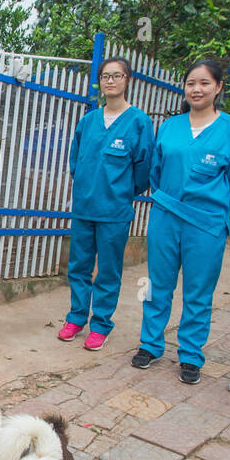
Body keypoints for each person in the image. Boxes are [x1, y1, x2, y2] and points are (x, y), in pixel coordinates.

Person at [133, 59, 230, 384]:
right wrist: (171, 198)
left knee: (198, 290)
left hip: (206, 222)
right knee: (157, 285)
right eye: (191, 83)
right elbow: (156, 170)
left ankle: (191, 354)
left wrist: (209, 199)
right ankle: (150, 344)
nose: (197, 89)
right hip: (166, 216)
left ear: (218, 87)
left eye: (204, 83)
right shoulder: (170, 126)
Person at [58, 57, 153, 351]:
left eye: (117, 75)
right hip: (84, 208)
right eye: (105, 76)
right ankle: (76, 317)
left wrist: (120, 192)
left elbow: (143, 170)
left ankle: (100, 324)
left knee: (109, 271)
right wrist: (88, 188)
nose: (110, 81)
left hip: (114, 211)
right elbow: (76, 162)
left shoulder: (139, 122)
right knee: (79, 266)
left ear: (128, 80)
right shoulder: (88, 122)